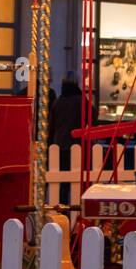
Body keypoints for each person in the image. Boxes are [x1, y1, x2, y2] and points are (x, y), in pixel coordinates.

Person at [52, 76, 84, 205]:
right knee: (79, 179)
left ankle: (63, 207)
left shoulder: (58, 102)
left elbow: (51, 124)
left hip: (60, 145)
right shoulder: (81, 101)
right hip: (77, 144)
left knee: (63, 180)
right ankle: (78, 205)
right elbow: (92, 116)